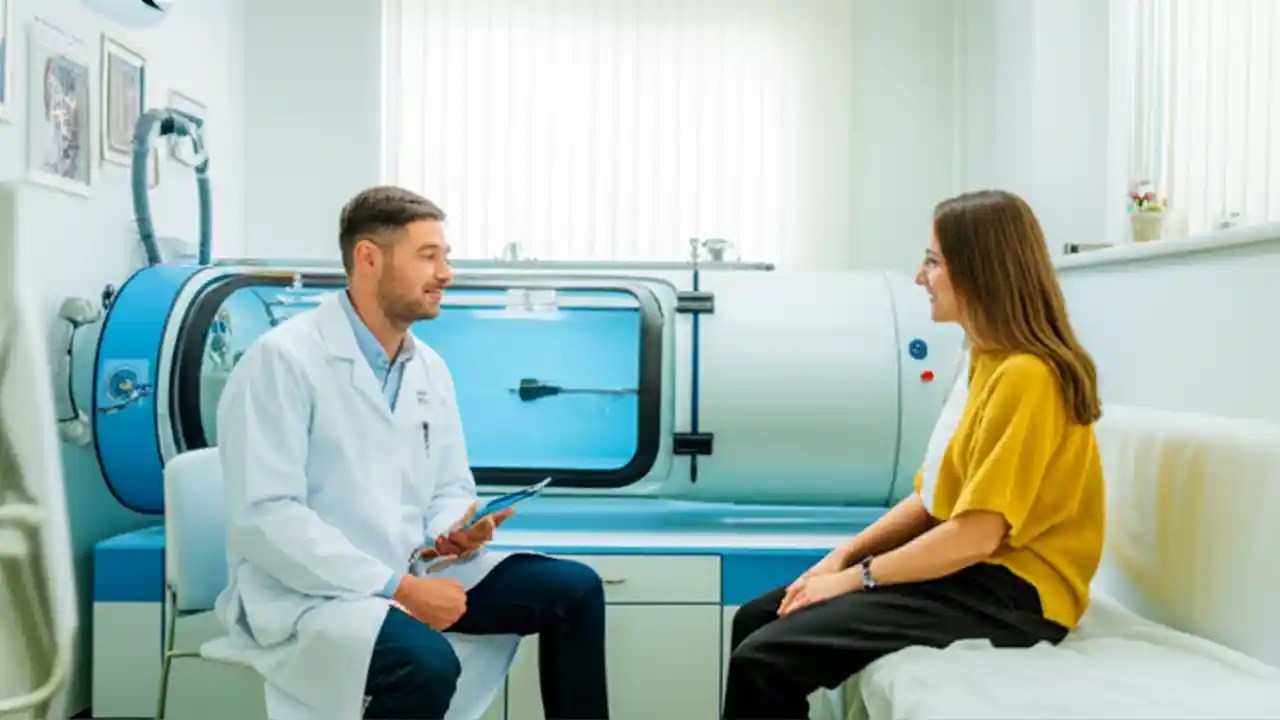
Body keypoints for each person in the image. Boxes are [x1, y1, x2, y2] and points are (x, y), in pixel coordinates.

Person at [213, 186, 609, 720]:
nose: (446, 273)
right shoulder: (282, 361)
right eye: (428, 256)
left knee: (574, 591)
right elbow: (266, 518)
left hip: (409, 567)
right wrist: (397, 587)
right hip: (312, 592)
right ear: (369, 258)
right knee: (425, 664)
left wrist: (454, 534)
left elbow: (449, 487)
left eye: (445, 257)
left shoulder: (429, 369)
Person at [722, 189, 1106, 718]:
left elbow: (976, 533)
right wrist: (841, 558)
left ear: (978, 269)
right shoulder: (988, 362)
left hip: (1017, 596)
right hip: (976, 576)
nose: (921, 277)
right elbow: (933, 501)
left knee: (763, 659)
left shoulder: (1028, 376)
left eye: (933, 261)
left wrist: (856, 578)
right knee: (756, 618)